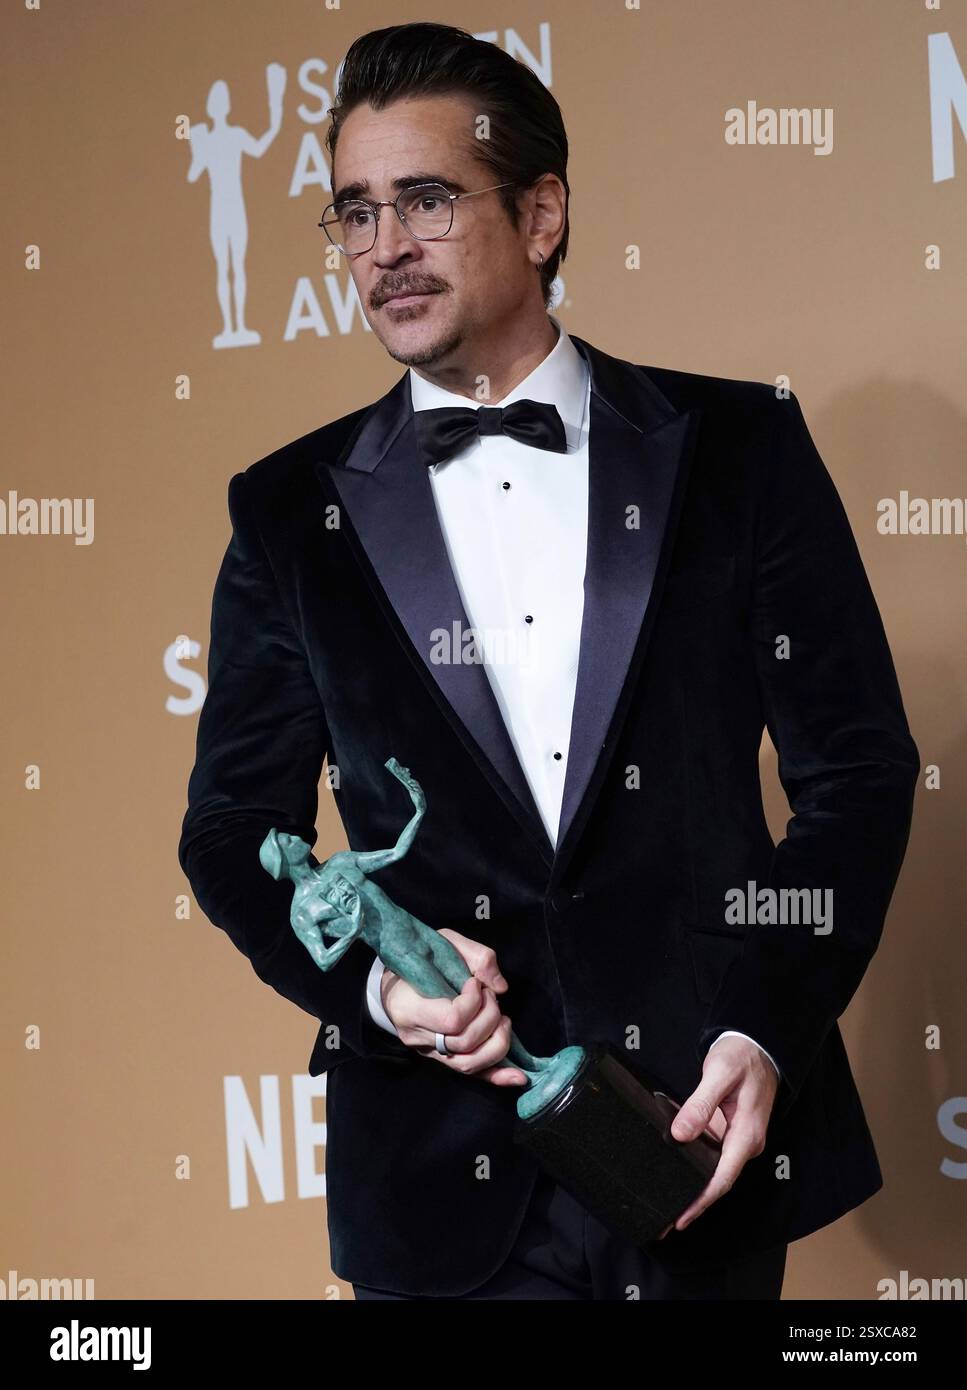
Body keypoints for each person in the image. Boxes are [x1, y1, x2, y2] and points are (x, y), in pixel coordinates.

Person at [178, 22, 919, 1300]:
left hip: (697, 1142)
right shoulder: (289, 510)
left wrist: (765, 1028)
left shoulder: (737, 447)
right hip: (433, 1177)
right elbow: (231, 827)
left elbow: (853, 772)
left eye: (424, 199)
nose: (384, 248)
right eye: (353, 214)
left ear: (542, 211)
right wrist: (379, 990)